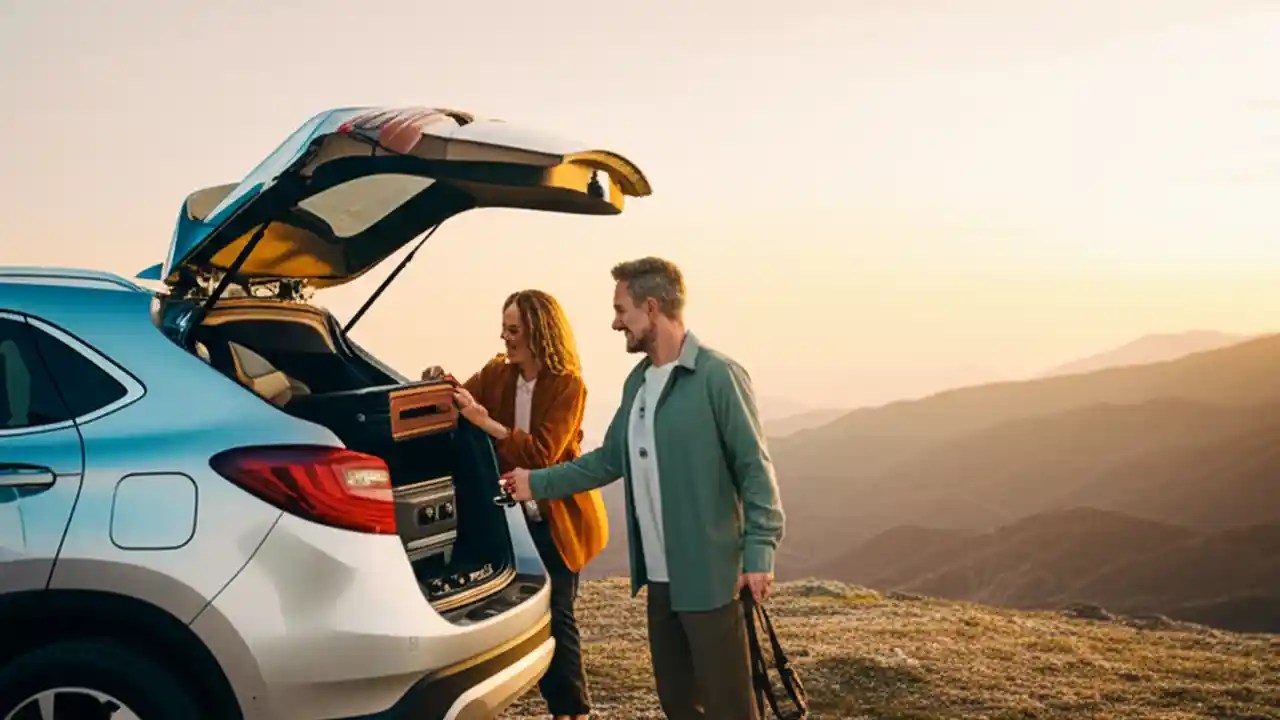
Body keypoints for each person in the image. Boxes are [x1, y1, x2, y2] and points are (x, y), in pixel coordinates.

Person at [501, 257, 785, 720]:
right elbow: (608, 459)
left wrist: (758, 555)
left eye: (621, 309)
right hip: (660, 581)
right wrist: (535, 483)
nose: (615, 322)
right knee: (677, 703)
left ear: (651, 308)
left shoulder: (718, 376)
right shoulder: (637, 383)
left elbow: (755, 471)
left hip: (712, 578)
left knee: (730, 707)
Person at [424, 289, 605, 720]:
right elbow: (460, 399)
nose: (504, 338)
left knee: (558, 615)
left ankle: (573, 712)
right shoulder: (496, 374)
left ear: (539, 333)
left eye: (513, 330)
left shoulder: (569, 386)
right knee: (523, 615)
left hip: (557, 520)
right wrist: (439, 382)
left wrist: (486, 421)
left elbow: (543, 455)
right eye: (504, 328)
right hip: (510, 519)